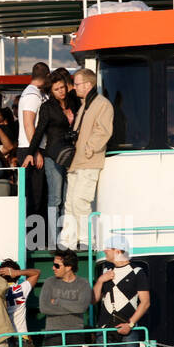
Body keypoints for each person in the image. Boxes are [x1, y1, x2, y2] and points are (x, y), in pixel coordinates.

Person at [59, 68, 113, 251]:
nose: (74, 88)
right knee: (70, 203)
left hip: (89, 160)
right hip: (77, 161)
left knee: (80, 201)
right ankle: (68, 241)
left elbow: (103, 130)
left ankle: (85, 240)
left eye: (77, 84)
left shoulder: (102, 104)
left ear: (88, 85)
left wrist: (89, 148)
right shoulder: (86, 104)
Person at [27, 69, 80, 232]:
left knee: (67, 198)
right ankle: (53, 237)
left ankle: (66, 234)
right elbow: (39, 131)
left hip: (71, 154)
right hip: (53, 155)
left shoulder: (73, 102)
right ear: (51, 91)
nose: (61, 92)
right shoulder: (47, 107)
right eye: (57, 89)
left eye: (62, 88)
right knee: (55, 197)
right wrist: (31, 152)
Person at [92, 234, 150, 347]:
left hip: (128, 332)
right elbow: (93, 300)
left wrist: (130, 325)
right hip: (104, 331)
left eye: (108, 248)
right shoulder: (106, 271)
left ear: (118, 251)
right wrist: (100, 281)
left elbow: (145, 302)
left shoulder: (137, 272)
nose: (105, 251)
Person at [37, 248, 89, 347]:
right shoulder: (49, 283)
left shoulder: (83, 284)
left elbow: (81, 307)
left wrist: (59, 301)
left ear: (68, 267)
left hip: (75, 334)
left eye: (56, 265)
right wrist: (72, 307)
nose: (53, 268)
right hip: (53, 334)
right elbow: (44, 308)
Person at [16, 62, 50, 224]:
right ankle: (33, 239)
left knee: (40, 195)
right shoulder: (31, 95)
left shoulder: (35, 93)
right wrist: (34, 151)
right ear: (47, 76)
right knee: (35, 196)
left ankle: (38, 237)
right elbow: (28, 123)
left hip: (33, 147)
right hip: (30, 149)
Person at [0, 258, 40, 347]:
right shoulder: (20, 289)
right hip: (22, 338)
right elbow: (36, 273)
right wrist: (17, 273)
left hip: (3, 338)